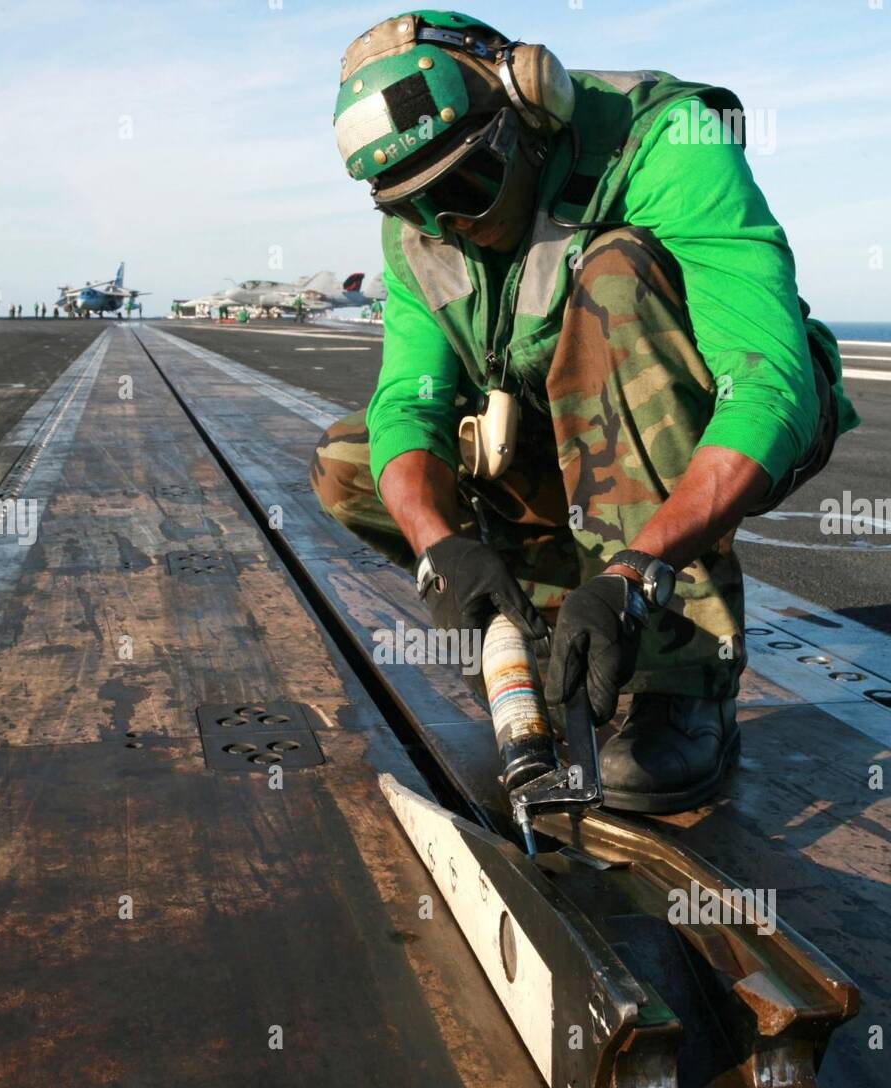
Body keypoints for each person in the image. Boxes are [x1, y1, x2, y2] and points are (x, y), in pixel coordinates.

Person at [311, 11, 857, 813]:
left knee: (615, 273)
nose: (447, 225)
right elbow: (409, 408)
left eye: (463, 188)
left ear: (528, 114)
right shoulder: (423, 238)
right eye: (412, 207)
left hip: (722, 417)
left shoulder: (670, 140)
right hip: (558, 431)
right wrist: (443, 552)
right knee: (353, 464)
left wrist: (640, 570)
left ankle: (682, 678)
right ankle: (545, 615)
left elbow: (768, 384)